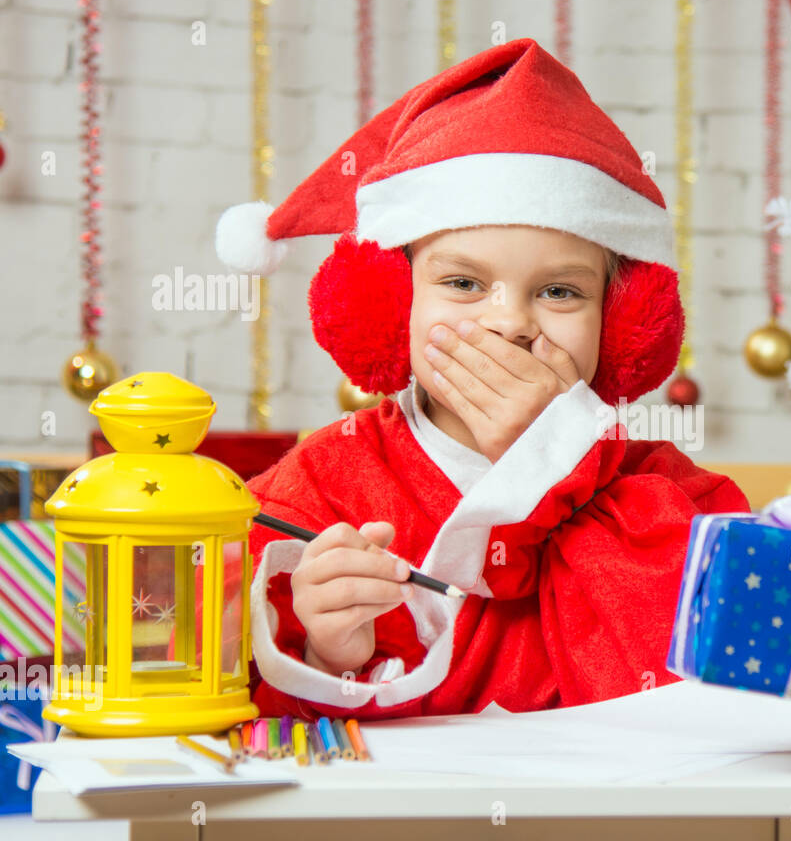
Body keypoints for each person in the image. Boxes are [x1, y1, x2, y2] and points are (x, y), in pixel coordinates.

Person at [213, 39, 748, 720]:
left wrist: (557, 459)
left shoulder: (670, 498)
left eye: (559, 292)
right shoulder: (316, 486)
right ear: (389, 302)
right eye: (464, 283)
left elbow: (706, 701)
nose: (511, 324)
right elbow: (253, 736)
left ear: (621, 322)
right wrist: (329, 656)